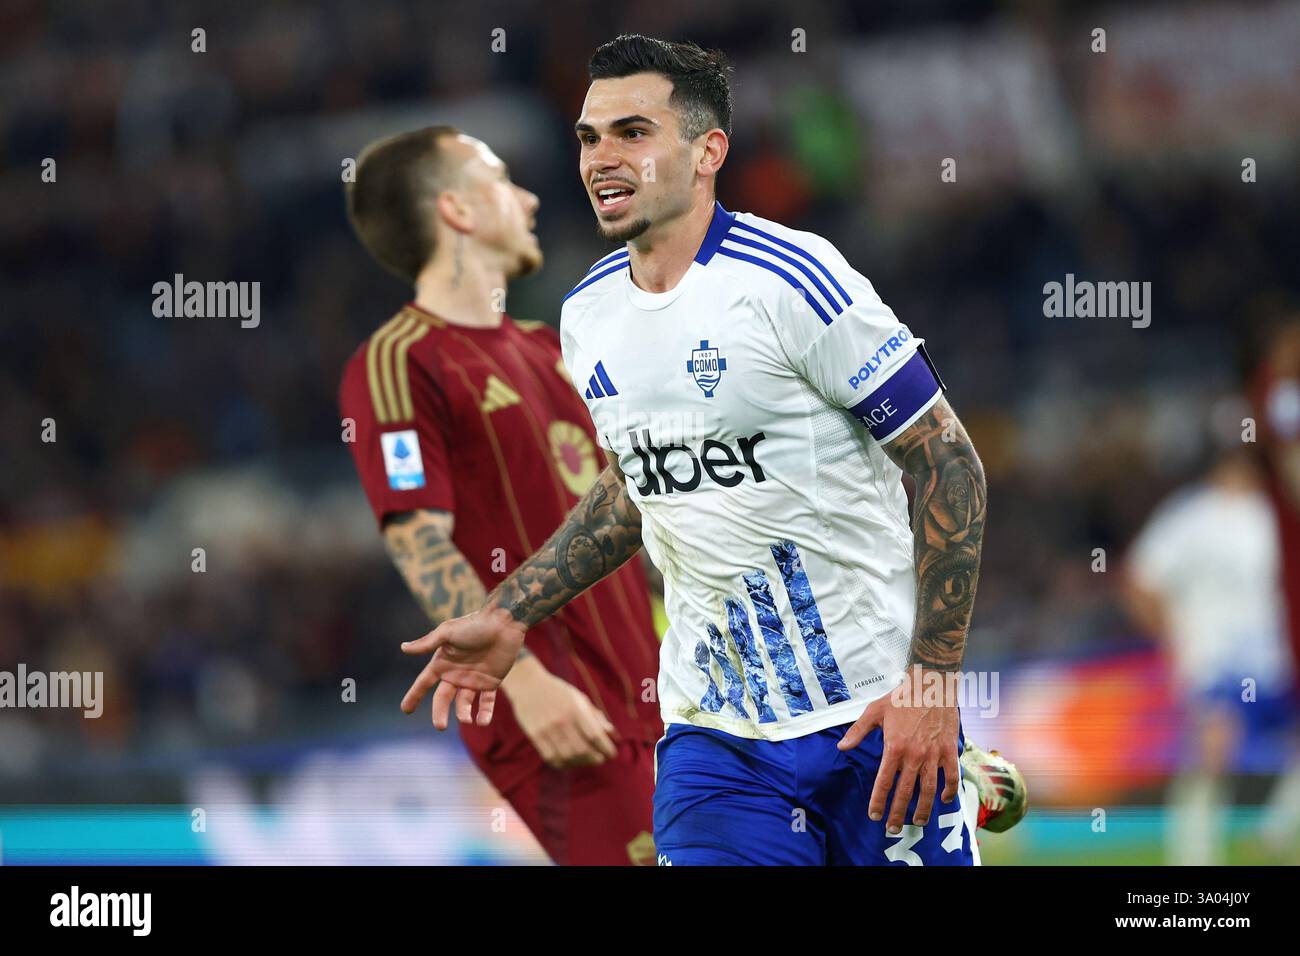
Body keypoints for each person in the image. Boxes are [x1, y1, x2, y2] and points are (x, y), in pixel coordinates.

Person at [400, 35, 1025, 864]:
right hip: (716, 743)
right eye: (589, 137)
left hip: (872, 718)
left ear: (707, 152)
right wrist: (509, 612)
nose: (601, 158)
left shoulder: (795, 281)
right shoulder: (587, 318)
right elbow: (637, 487)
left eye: (632, 132)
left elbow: (946, 460)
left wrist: (933, 682)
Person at [339, 126, 663, 865]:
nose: (530, 197)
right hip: (559, 712)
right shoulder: (400, 360)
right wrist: (523, 681)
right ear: (455, 209)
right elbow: (419, 537)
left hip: (666, 699)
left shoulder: (555, 347)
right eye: (502, 179)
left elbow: (637, 517)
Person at [1125, 406, 1300, 865]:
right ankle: (1194, 855)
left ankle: (1277, 832)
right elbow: (1140, 579)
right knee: (1212, 752)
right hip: (1213, 655)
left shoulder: (1274, 513)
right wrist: (1174, 637)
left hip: (1273, 655)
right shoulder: (1191, 516)